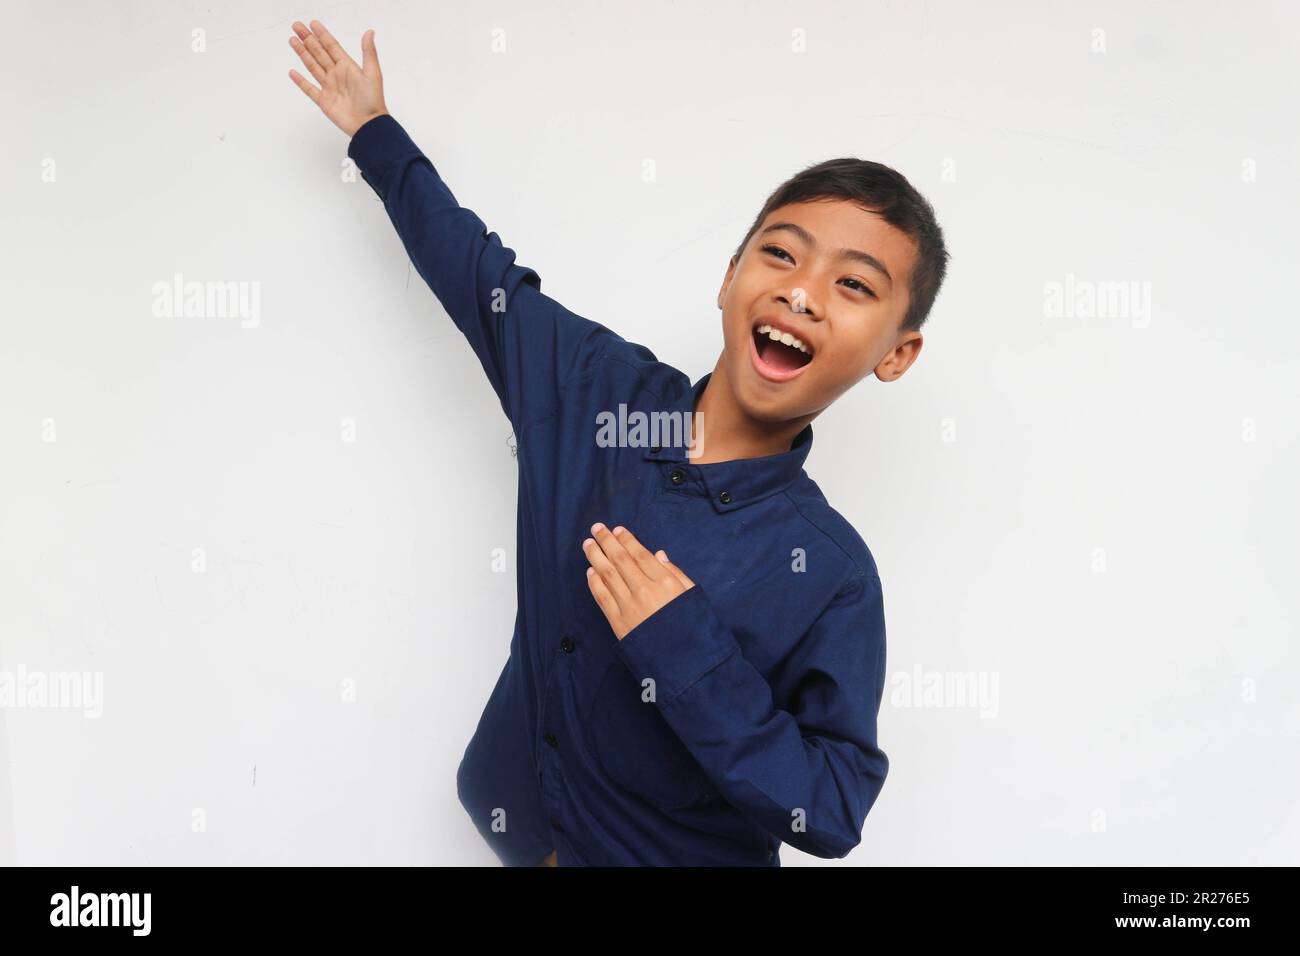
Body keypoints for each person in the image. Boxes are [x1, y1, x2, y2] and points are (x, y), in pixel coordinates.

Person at [288, 19, 948, 866]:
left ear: (895, 353)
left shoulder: (831, 576)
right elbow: (478, 274)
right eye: (781, 254)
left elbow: (828, 811)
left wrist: (685, 648)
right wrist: (375, 134)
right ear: (729, 277)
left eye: (853, 284)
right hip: (521, 835)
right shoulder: (597, 394)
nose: (802, 293)